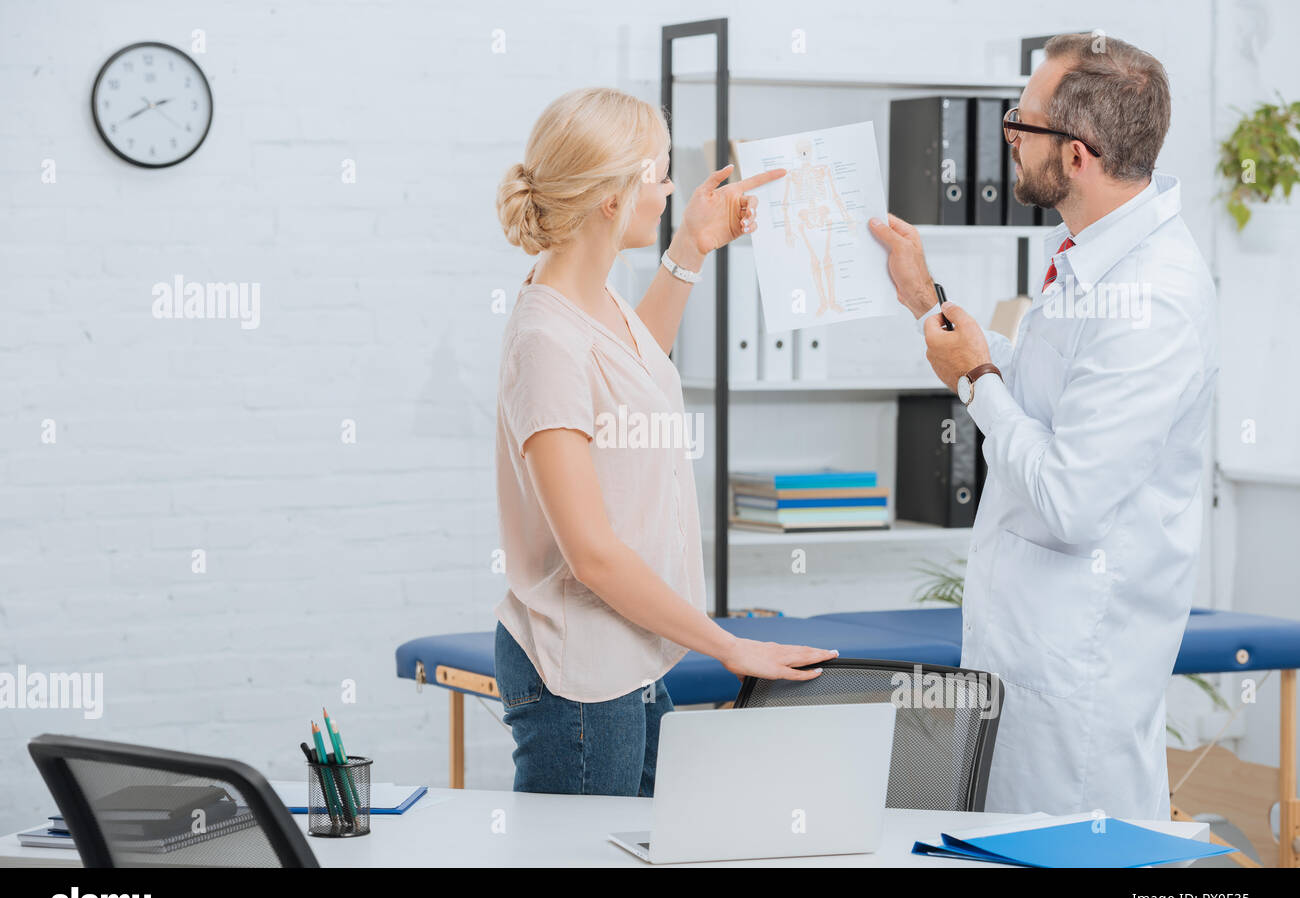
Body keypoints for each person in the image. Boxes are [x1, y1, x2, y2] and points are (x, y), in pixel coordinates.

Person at [869, 33, 1218, 819]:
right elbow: (1043, 391)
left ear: (1079, 155)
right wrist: (927, 301)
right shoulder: (1093, 255)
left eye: (1019, 124)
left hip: (1076, 688)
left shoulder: (1153, 300)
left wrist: (974, 380)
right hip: (1023, 659)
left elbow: (1070, 499)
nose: (1007, 140)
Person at [493, 87, 837, 797]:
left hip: (632, 651)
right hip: (581, 674)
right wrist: (730, 645)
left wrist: (690, 248)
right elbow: (591, 554)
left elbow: (635, 368)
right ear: (612, 198)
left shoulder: (591, 297)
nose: (671, 187)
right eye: (658, 173)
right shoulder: (546, 338)